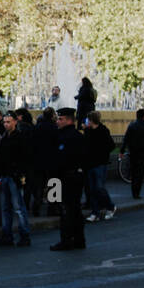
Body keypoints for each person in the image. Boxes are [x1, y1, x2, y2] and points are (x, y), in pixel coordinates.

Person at [49, 107, 86, 251]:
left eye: (61, 119)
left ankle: (67, 239)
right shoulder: (74, 135)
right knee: (74, 209)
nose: (58, 121)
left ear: (69, 120)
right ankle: (78, 239)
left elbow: (61, 159)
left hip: (66, 178)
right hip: (71, 177)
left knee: (66, 210)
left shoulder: (68, 137)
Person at [0, 110, 32, 246]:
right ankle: (7, 235)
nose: (6, 124)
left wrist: (20, 174)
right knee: (6, 207)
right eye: (4, 122)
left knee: (18, 207)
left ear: (15, 122)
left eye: (8, 122)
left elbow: (25, 158)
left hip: (14, 176)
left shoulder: (20, 138)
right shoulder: (4, 138)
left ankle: (24, 234)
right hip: (5, 175)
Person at [82, 112, 116, 222]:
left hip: (99, 163)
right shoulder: (90, 131)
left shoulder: (102, 131)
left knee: (98, 187)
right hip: (92, 163)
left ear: (91, 120)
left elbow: (111, 145)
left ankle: (109, 206)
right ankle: (95, 211)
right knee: (93, 189)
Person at [122, 108, 144, 199]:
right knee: (140, 172)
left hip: (133, 152)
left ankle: (134, 191)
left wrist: (122, 150)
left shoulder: (132, 125)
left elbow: (126, 138)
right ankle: (137, 192)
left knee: (134, 172)